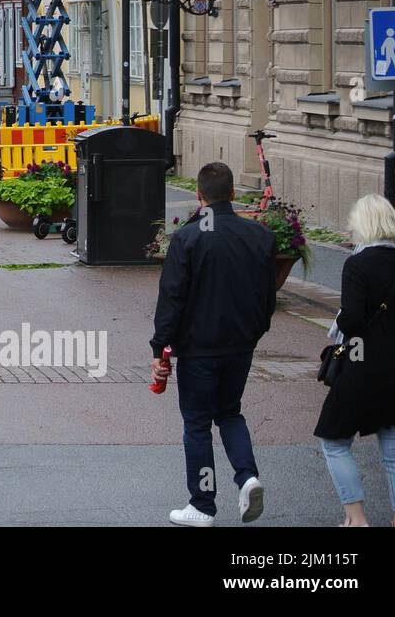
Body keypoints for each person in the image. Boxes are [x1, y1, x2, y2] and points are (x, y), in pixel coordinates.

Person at [151, 162, 277, 528]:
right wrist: (255, 331)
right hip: (240, 345)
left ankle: (203, 504)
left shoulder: (188, 238)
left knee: (197, 423)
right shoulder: (259, 236)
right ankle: (247, 478)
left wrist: (160, 349)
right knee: (230, 413)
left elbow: (171, 298)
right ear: (234, 193)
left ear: (199, 196)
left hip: (199, 348)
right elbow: (268, 297)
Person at [314, 194, 395, 528]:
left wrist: (341, 321)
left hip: (363, 365)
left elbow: (352, 320)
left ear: (363, 225)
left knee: (334, 439)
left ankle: (356, 519)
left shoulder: (357, 264)